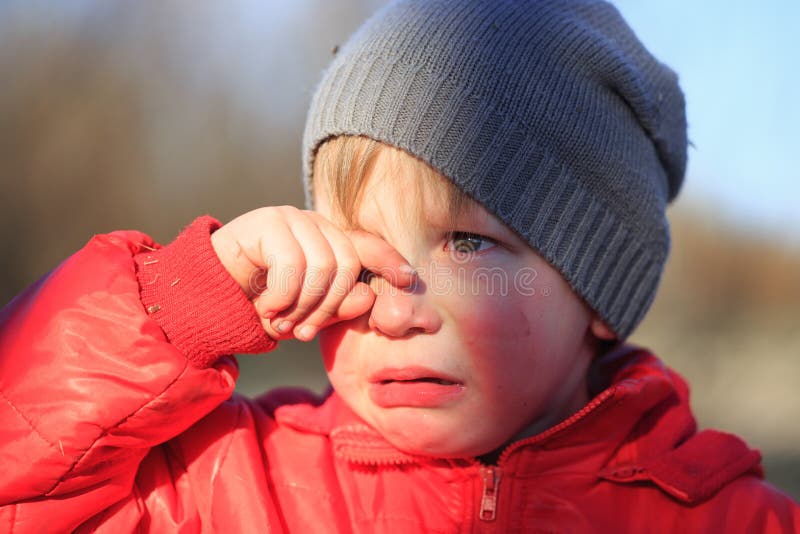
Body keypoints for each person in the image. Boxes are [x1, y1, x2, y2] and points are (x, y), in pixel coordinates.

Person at [1, 0, 798, 532]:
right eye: (360, 250)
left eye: (466, 243)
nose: (394, 309)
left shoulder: (722, 517)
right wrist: (180, 303)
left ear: (596, 285)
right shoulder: (232, 484)